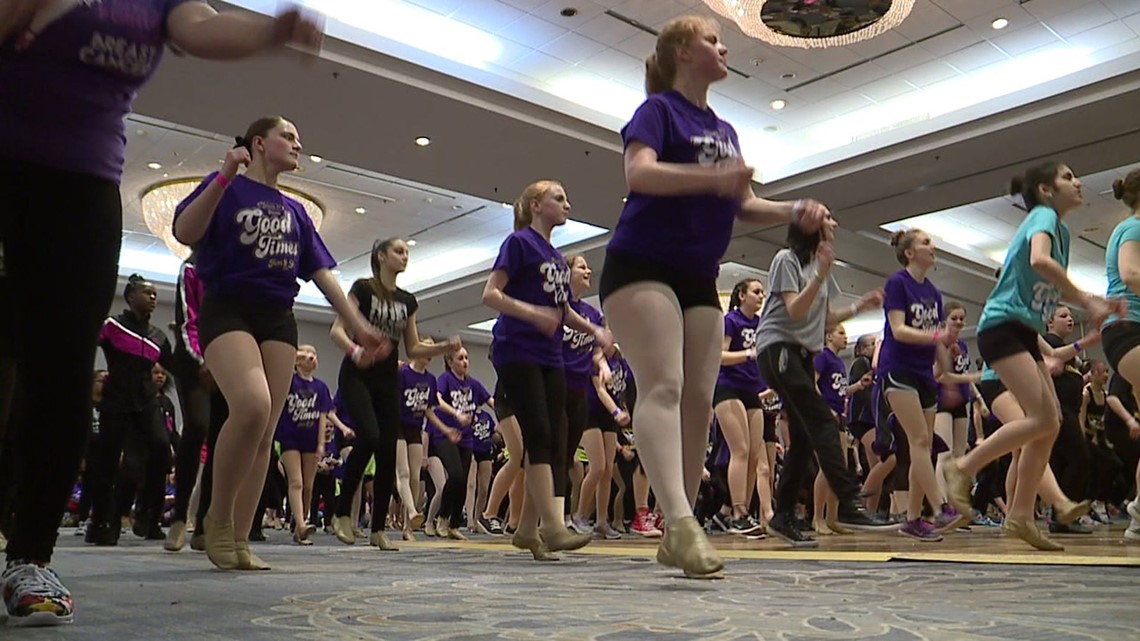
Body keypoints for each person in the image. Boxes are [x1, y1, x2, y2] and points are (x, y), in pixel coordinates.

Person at [0, 0, 324, 625]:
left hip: (82, 180)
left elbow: (197, 24)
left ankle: (31, 555)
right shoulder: (230, 189)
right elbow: (187, 230)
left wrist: (270, 28)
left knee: (60, 369)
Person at [597, 14, 828, 579]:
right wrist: (713, 180)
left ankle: (681, 519)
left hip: (699, 271)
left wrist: (793, 210)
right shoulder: (657, 111)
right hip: (640, 263)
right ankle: (678, 521)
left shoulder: (725, 128)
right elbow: (640, 175)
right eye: (711, 40)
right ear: (681, 51)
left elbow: (742, 203)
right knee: (665, 385)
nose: (724, 47)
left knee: (699, 395)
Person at [172, 116, 387, 571]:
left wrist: (358, 327)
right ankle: (218, 518)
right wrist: (225, 174)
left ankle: (241, 537)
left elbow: (324, 274)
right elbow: (185, 232)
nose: (297, 143)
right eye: (287, 136)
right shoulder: (225, 186)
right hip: (228, 307)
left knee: (265, 428)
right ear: (258, 142)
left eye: (297, 137)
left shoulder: (296, 212)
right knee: (250, 405)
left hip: (277, 316)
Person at [943, 162, 1118, 550]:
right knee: (1041, 418)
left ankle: (1020, 516)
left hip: (1023, 330)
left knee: (1051, 422)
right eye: (1068, 177)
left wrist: (1095, 302)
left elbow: (1054, 287)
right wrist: (1089, 299)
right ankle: (963, 467)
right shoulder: (1042, 217)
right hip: (1001, 326)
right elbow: (1040, 260)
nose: (1078, 182)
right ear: (1045, 190)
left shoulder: (1064, 232)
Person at [483, 180, 610, 561]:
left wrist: (595, 330)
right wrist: (532, 312)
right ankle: (552, 526)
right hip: (517, 349)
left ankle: (525, 530)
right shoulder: (519, 243)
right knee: (538, 432)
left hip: (550, 354)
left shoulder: (557, 257)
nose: (567, 204)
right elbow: (491, 293)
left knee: (556, 440)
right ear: (536, 205)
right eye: (559, 198)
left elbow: (564, 310)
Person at [754, 212, 895, 547]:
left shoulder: (820, 268)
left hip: (801, 353)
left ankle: (783, 514)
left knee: (803, 437)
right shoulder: (785, 259)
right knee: (823, 423)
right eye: (827, 218)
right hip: (778, 348)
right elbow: (795, 311)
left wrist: (861, 305)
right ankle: (848, 502)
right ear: (811, 228)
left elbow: (824, 318)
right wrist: (820, 274)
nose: (834, 223)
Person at [327, 237, 459, 552]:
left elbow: (412, 346)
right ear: (381, 256)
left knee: (388, 449)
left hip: (388, 380)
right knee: (370, 437)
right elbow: (337, 330)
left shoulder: (408, 301)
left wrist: (443, 346)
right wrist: (356, 350)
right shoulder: (362, 289)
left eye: (407, 252)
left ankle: (377, 529)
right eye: (398, 251)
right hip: (357, 374)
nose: (404, 257)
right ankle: (342, 513)